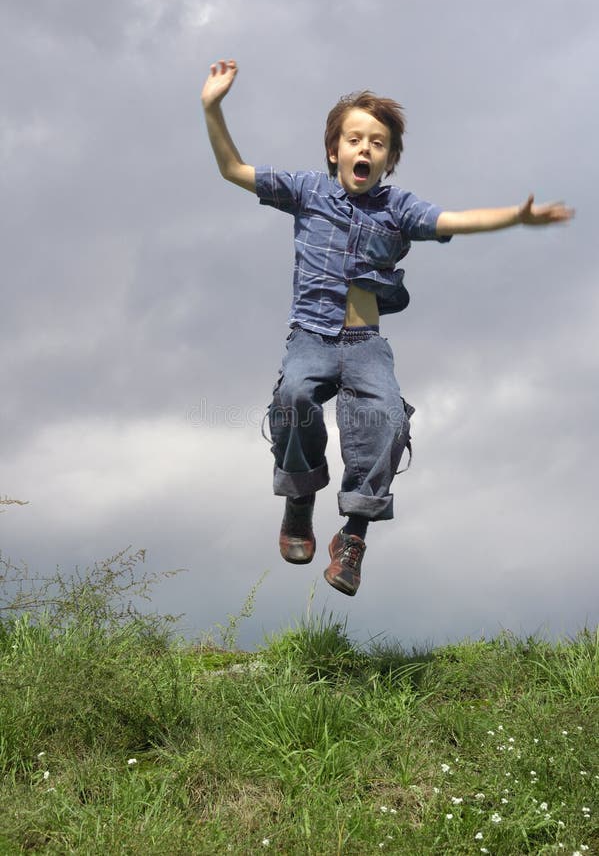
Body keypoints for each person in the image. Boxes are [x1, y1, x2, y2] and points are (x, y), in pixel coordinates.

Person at [201, 58, 573, 597]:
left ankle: (352, 537)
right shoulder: (306, 191)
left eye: (378, 143)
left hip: (365, 343)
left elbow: (452, 221)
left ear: (390, 159)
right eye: (355, 139)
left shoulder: (398, 209)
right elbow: (233, 170)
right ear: (335, 150)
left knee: (388, 419)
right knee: (294, 395)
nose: (365, 149)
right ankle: (300, 500)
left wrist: (515, 217)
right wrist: (212, 107)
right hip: (310, 337)